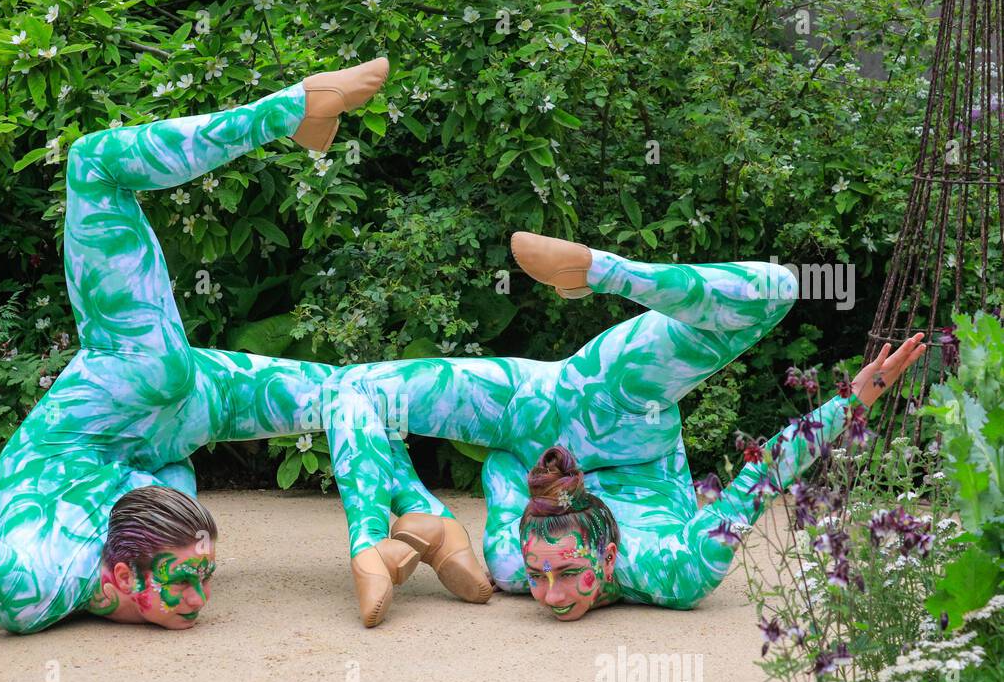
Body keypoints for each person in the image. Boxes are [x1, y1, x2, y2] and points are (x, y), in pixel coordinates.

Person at [0, 58, 486, 634]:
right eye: (196, 573)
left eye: (191, 575)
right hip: (168, 427)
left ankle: (287, 110)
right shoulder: (102, 569)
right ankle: (428, 525)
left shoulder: (34, 586)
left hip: (115, 404)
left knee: (91, 164)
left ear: (116, 577)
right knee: (346, 391)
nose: (201, 594)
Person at [324, 231, 928, 624]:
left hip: (542, 406)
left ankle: (598, 271)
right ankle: (409, 529)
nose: (552, 596)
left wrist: (524, 470)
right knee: (774, 291)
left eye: (556, 574)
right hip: (617, 417)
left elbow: (506, 467)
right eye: (548, 575)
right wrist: (856, 398)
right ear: (612, 555)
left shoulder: (511, 560)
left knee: (356, 391)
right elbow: (762, 473)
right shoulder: (679, 568)